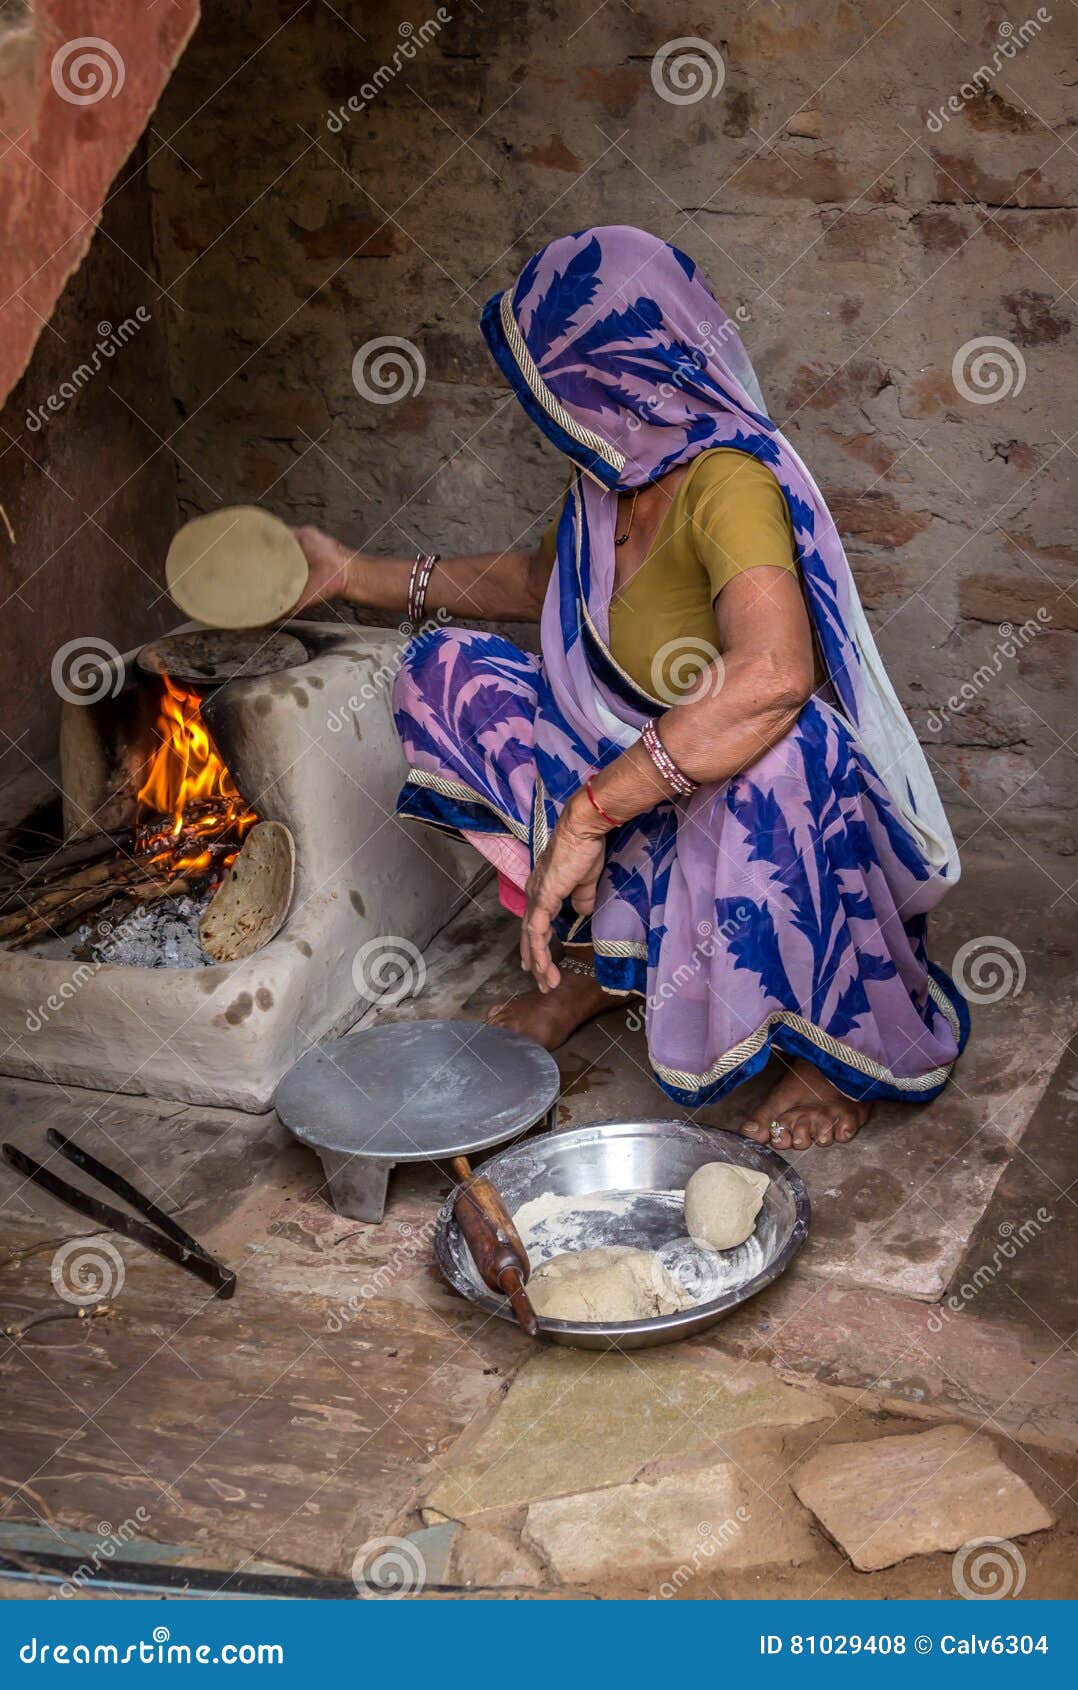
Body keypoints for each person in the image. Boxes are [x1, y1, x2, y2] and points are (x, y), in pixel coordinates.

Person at [294, 225, 968, 1150]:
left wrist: (591, 812)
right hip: (633, 768)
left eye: (560, 375)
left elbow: (773, 675)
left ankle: (827, 1051)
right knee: (448, 675)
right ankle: (598, 970)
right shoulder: (607, 485)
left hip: (719, 781)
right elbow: (544, 588)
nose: (549, 404)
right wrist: (351, 575)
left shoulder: (725, 483)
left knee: (788, 753)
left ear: (619, 369)